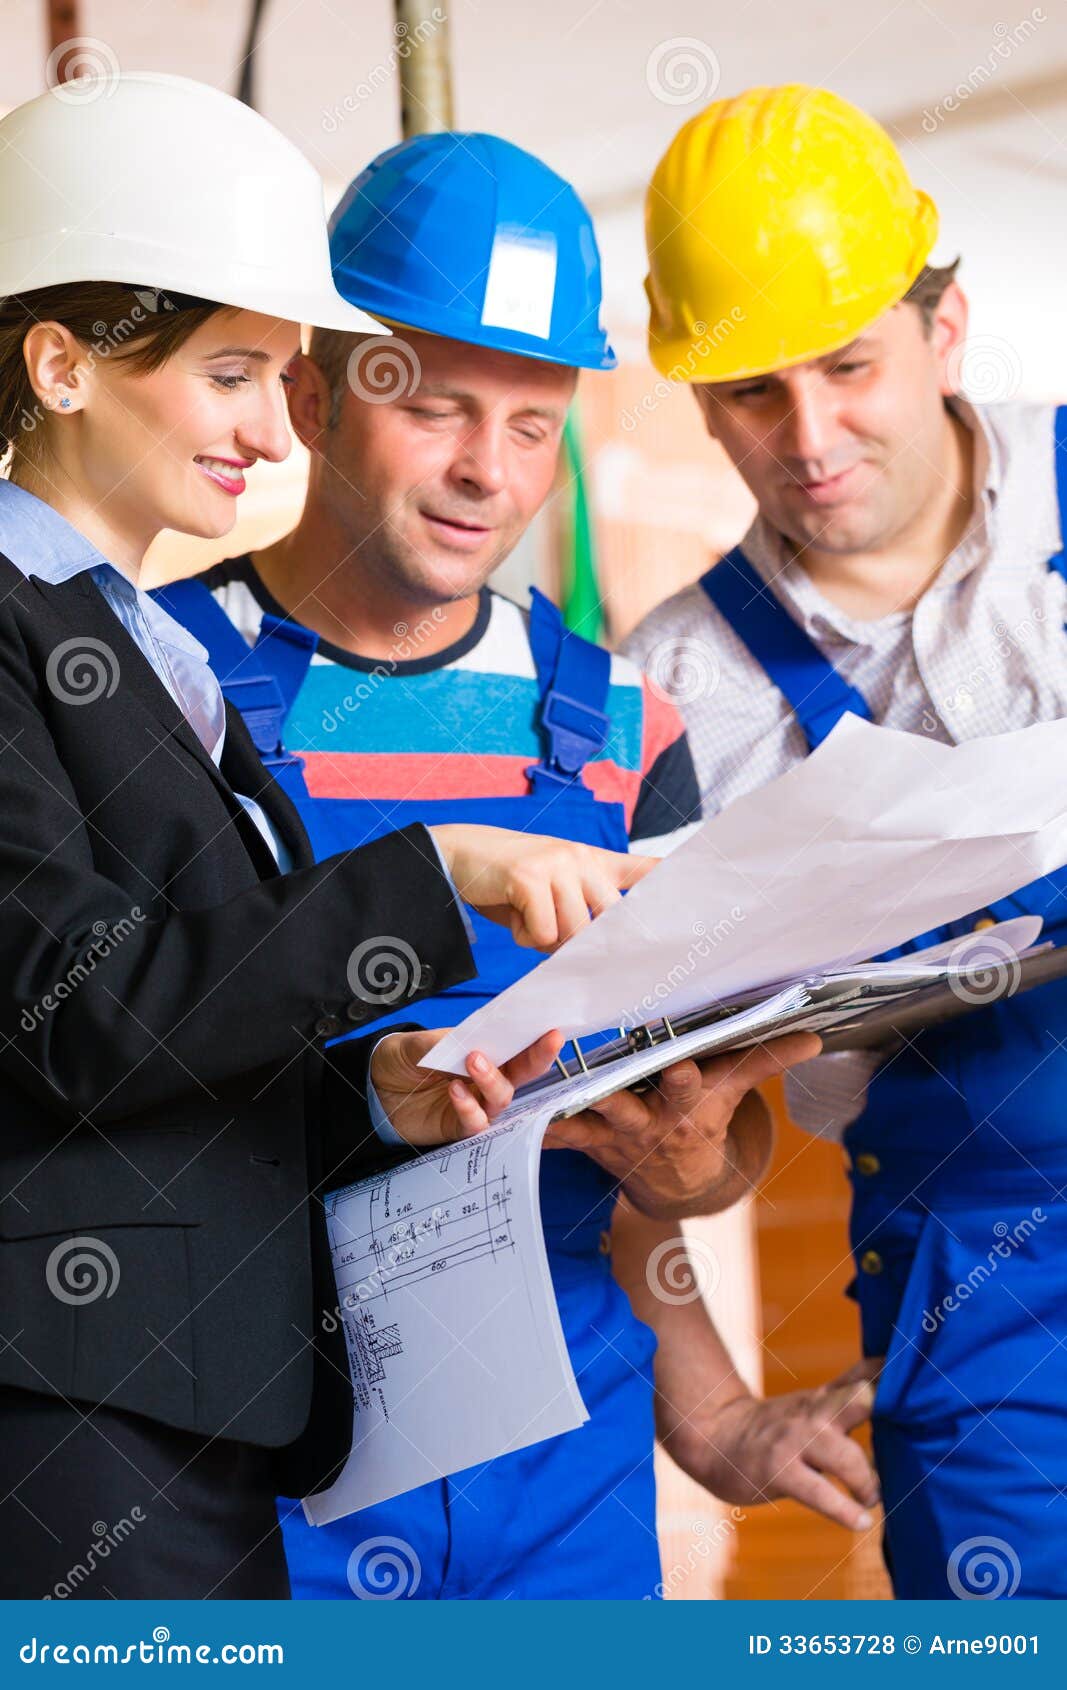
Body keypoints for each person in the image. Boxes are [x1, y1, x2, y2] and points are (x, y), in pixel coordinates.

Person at [158, 132, 859, 1601]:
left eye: (535, 424)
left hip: (567, 1499)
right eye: (438, 409)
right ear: (311, 391)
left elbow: (670, 1160)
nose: (490, 471)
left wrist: (696, 1186)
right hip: (255, 1486)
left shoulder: (617, 726)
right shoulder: (155, 692)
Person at [0, 72, 651, 1601]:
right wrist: (440, 865)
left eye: (278, 375)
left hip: (206, 1421)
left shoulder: (120, 652)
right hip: (79, 1423)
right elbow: (76, 1008)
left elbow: (177, 1043)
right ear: (63, 365)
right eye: (234, 374)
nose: (265, 434)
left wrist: (375, 1093)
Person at [627, 83, 1067, 1599]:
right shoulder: (673, 691)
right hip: (988, 1321)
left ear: (946, 327)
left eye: (848, 363)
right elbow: (616, 1109)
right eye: (752, 389)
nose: (809, 439)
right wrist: (714, 1412)